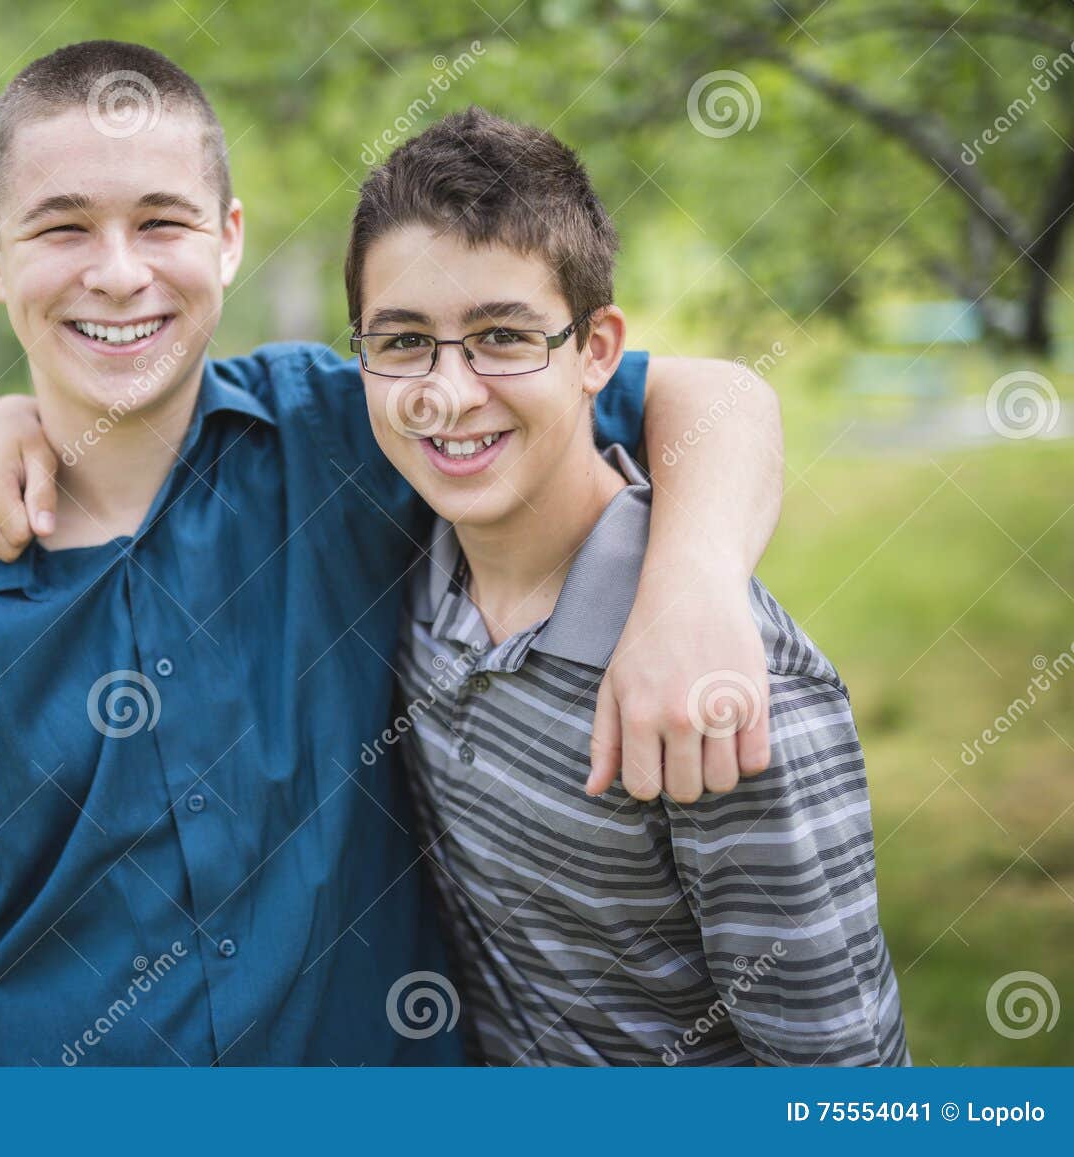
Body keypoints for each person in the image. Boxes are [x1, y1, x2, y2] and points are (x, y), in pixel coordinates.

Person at [0, 40, 783, 1066]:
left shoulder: (355, 431)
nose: (119, 272)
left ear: (229, 239)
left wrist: (693, 588)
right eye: (62, 228)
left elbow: (717, 397)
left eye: (162, 221)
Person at [350, 108, 908, 1065]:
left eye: (502, 336)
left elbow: (848, 1086)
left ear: (598, 352)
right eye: (403, 341)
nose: (447, 392)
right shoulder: (418, 573)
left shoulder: (720, 684)